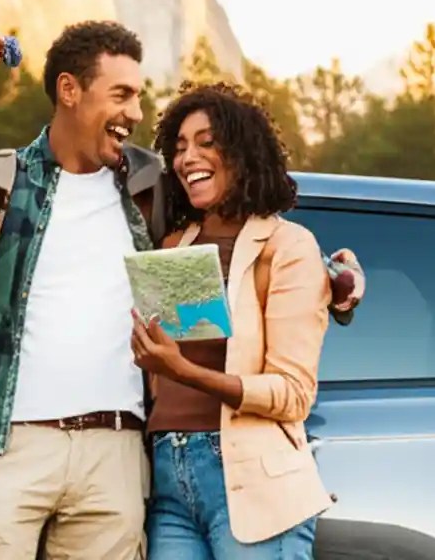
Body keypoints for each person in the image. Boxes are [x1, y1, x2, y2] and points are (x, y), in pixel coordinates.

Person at [0, 23, 358, 559]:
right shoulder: (4, 179)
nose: (136, 113)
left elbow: (237, 235)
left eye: (137, 95)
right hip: (10, 445)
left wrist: (334, 275)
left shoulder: (148, 185)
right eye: (122, 95)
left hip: (118, 454)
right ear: (70, 91)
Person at [131, 81, 335, 559]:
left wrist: (185, 372)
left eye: (206, 142)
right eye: (179, 147)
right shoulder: (173, 248)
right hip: (168, 480)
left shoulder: (287, 247)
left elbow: (292, 393)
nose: (187, 158)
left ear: (242, 153)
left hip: (250, 479)